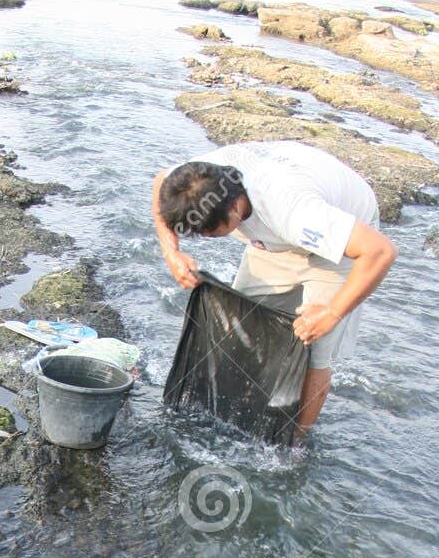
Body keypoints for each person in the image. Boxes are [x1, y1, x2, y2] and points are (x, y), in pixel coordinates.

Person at [152, 141, 397, 431]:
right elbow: (160, 183)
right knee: (239, 324)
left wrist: (331, 313)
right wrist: (172, 251)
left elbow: (380, 251)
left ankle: (295, 444)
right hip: (275, 241)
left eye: (208, 231)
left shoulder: (290, 209)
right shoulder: (195, 179)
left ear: (233, 208)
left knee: (312, 344)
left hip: (342, 247)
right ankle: (245, 406)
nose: (202, 236)